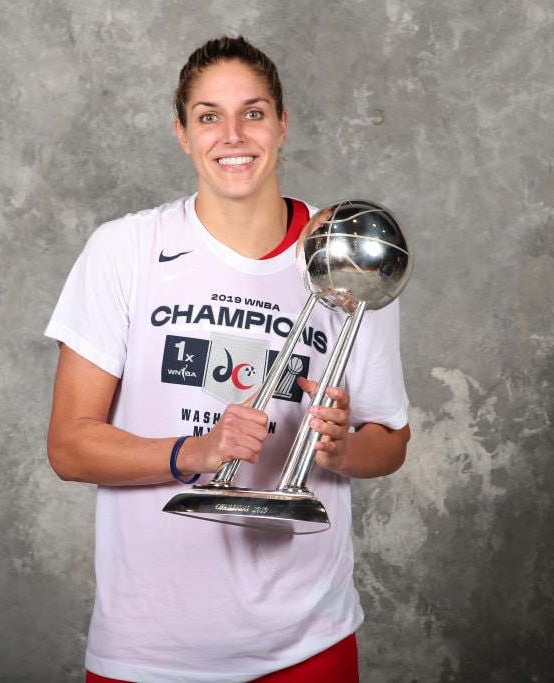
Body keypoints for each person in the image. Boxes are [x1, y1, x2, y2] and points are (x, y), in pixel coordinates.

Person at [45, 35, 410, 683]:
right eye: (209, 115)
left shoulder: (343, 258)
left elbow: (390, 438)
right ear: (183, 133)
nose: (233, 134)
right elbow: (70, 446)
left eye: (254, 112)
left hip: (305, 642)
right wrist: (198, 450)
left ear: (282, 123)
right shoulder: (125, 250)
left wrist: (341, 448)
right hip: (147, 648)